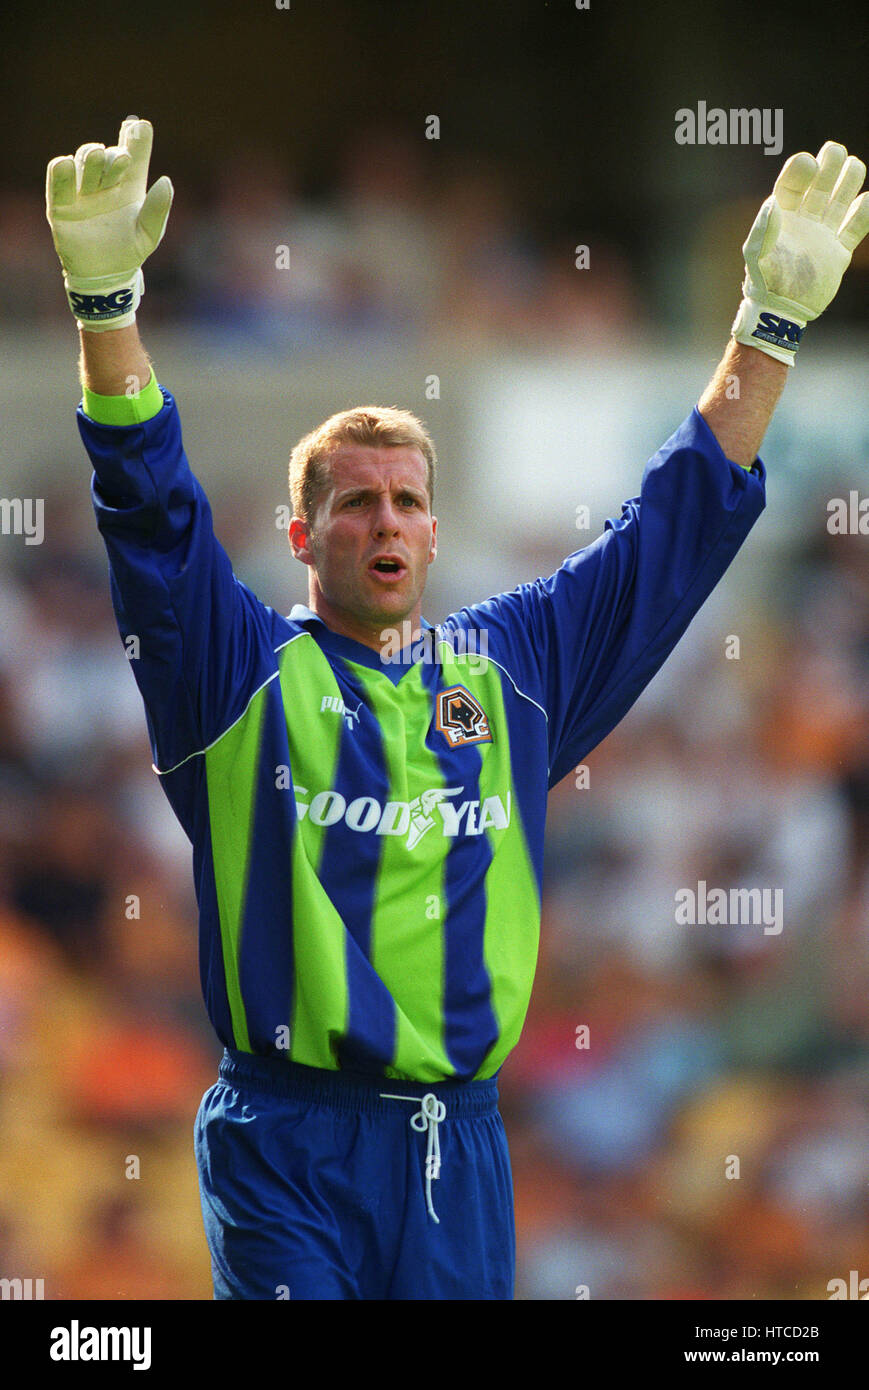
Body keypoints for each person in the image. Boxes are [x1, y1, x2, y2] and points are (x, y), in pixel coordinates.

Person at [45, 116, 867, 1300]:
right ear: (300, 536)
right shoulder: (234, 675)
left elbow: (669, 534)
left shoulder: (511, 667)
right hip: (287, 1143)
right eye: (354, 503)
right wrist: (106, 309)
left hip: (456, 1155)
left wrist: (768, 325)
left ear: (434, 532)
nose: (383, 520)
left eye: (405, 502)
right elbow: (150, 513)